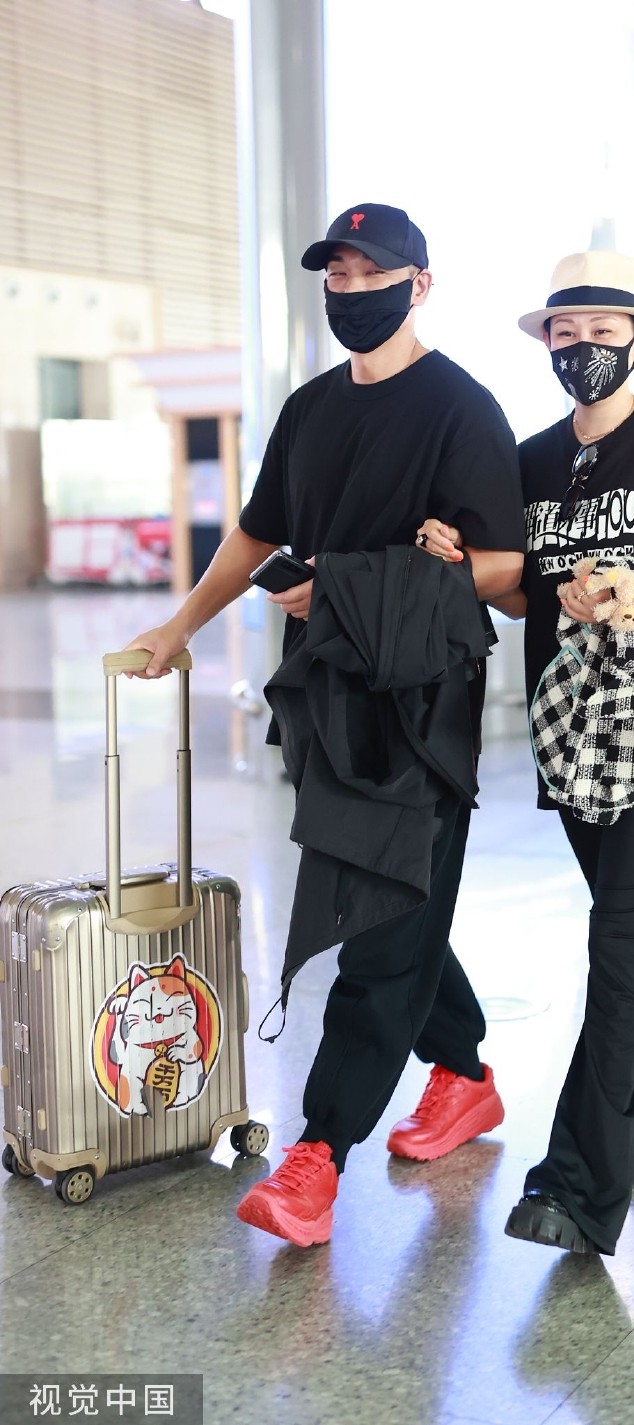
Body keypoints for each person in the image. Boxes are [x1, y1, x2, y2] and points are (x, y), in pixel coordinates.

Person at [124, 203, 525, 1248]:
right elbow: (257, 533)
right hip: (327, 695)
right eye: (336, 276)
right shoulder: (308, 410)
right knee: (389, 898)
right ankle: (466, 1072)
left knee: (382, 915)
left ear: (419, 283)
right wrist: (178, 626)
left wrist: (380, 581)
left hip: (422, 701)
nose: (350, 291)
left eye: (370, 273)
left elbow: (511, 576)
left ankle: (319, 1153)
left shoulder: (461, 410)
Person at [418, 250, 634, 1257]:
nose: (580, 349)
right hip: (572, 732)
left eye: (600, 331)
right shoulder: (530, 458)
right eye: (562, 335)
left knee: (617, 938)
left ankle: (578, 1182)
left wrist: (631, 586)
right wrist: (467, 570)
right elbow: (524, 591)